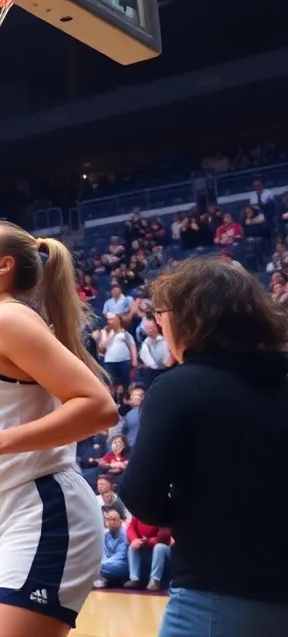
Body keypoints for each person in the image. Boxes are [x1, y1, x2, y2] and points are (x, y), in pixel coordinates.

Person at [0, 221, 117, 637]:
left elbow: (99, 406)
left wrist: (2, 441)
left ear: (3, 266)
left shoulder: (9, 319)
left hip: (39, 504)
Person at [119, 256, 288, 636]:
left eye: (162, 313)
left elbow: (140, 494)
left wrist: (196, 513)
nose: (159, 323)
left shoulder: (178, 387)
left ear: (189, 318)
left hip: (214, 593)